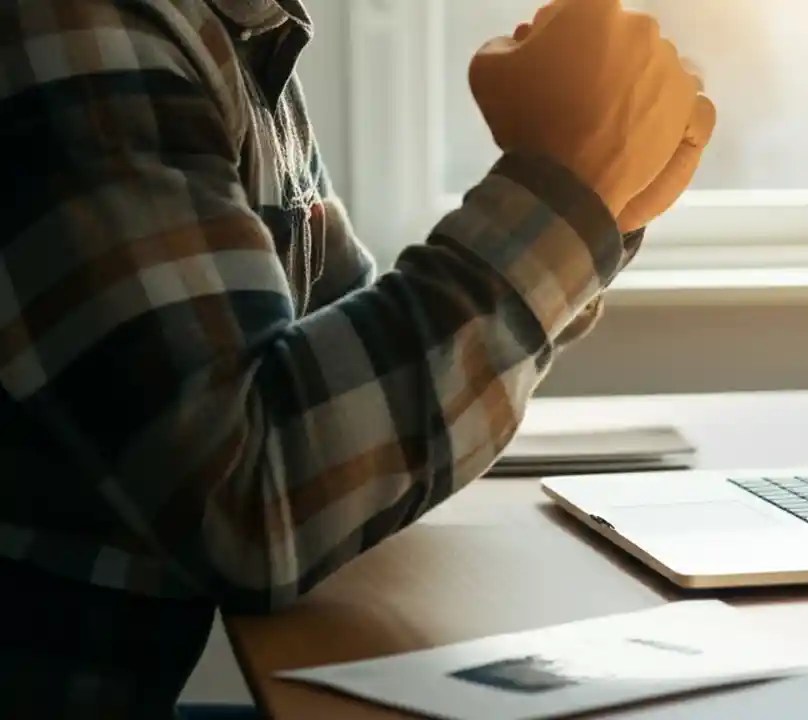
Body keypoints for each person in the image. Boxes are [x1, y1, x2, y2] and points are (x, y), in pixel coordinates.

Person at [0, 0, 715, 717]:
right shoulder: (74, 25)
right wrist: (565, 189)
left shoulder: (230, 27)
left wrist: (599, 196)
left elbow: (334, 390)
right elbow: (253, 497)